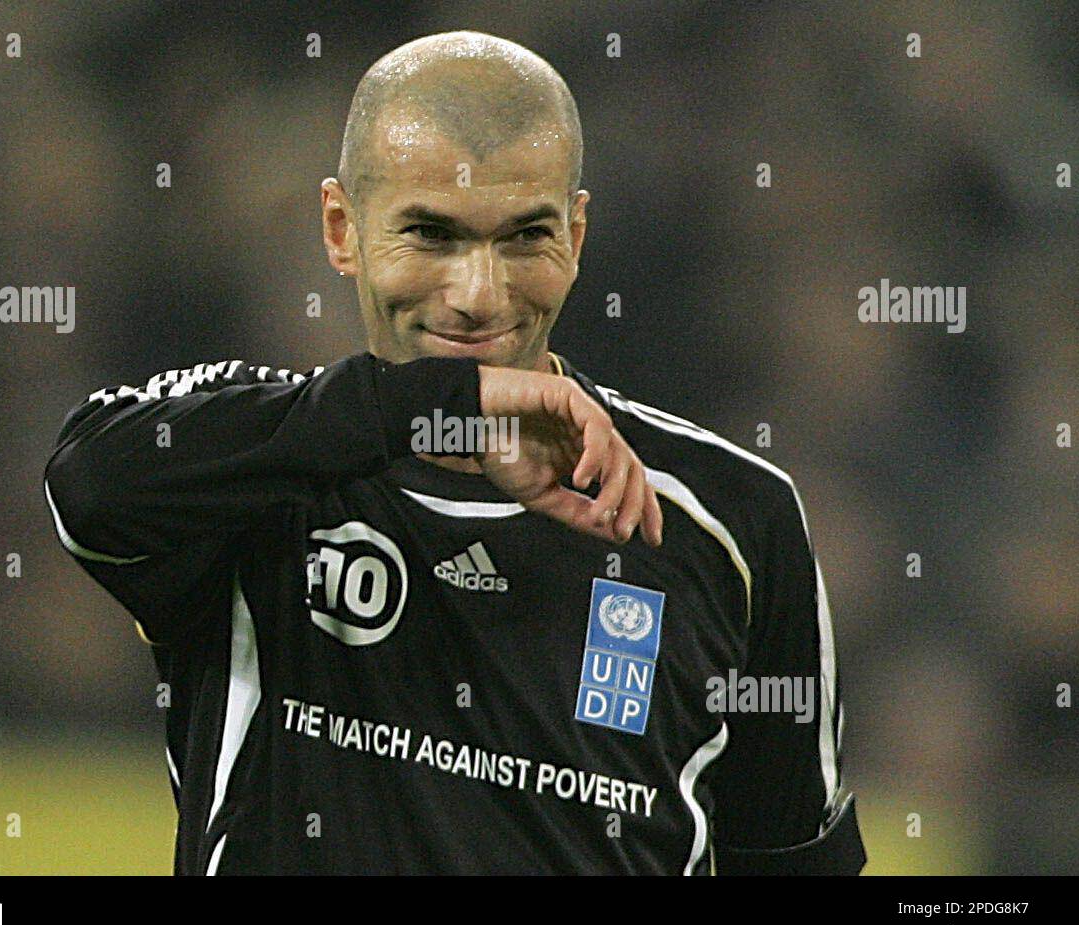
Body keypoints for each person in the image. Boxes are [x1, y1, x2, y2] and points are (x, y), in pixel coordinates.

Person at [44, 30, 865, 875]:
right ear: (342, 229)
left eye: (524, 238)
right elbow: (87, 484)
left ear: (576, 239)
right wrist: (438, 407)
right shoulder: (261, 469)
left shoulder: (732, 520)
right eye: (431, 235)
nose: (479, 295)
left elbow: (792, 862)